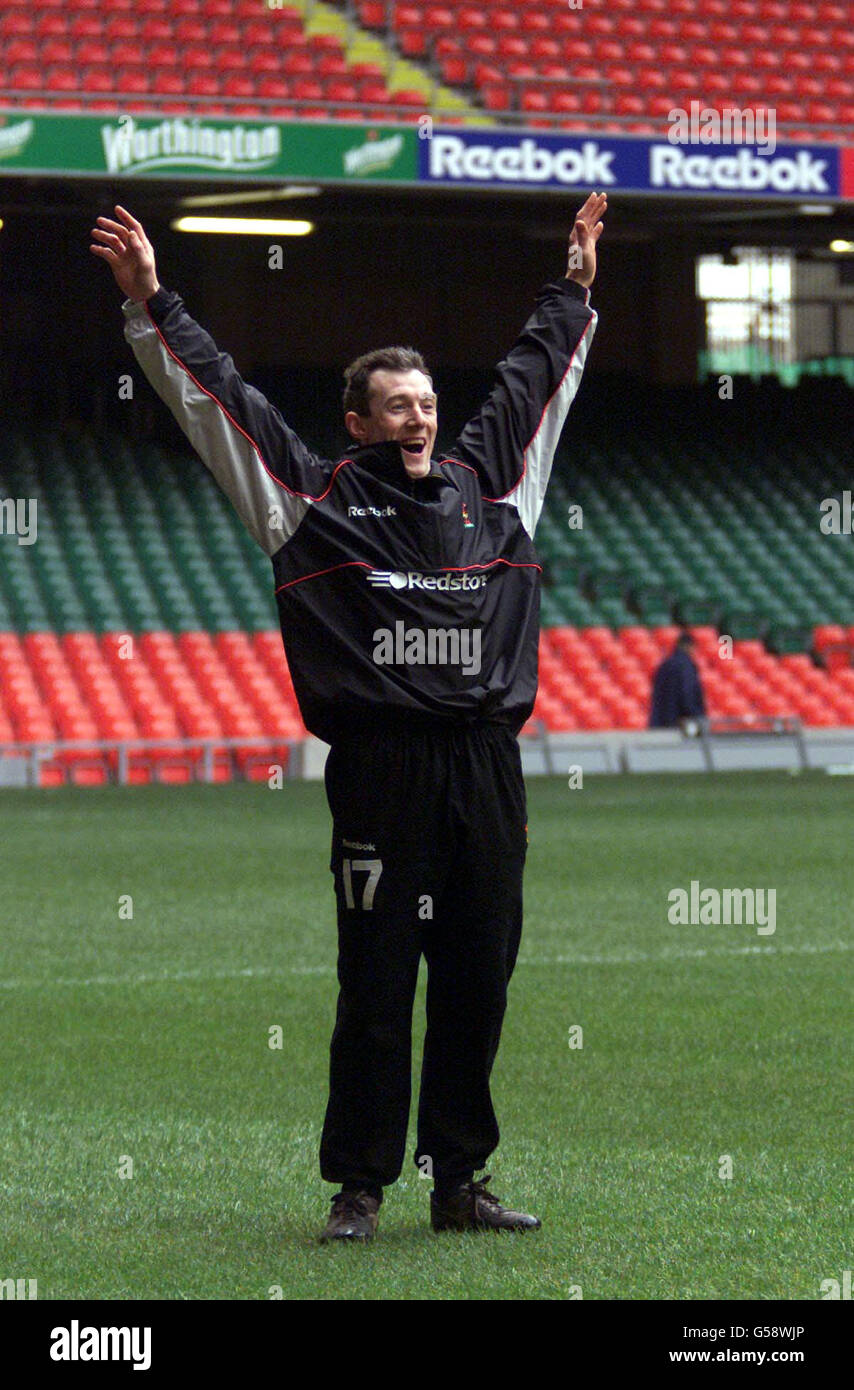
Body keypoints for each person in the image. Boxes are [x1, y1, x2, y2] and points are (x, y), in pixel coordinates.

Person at [91, 193, 605, 1241]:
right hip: (382, 773)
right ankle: (359, 1188)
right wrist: (152, 306)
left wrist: (571, 289)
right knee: (374, 982)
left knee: (478, 977)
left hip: (484, 770)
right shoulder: (309, 499)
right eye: (397, 406)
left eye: (426, 402)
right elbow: (220, 402)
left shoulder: (493, 487)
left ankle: (458, 1181)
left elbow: (532, 376)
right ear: (358, 423)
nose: (420, 417)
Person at [649, 631, 707, 729]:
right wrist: (696, 716)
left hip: (660, 722)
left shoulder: (664, 665)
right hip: (680, 724)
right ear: (689, 646)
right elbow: (687, 694)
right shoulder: (686, 666)